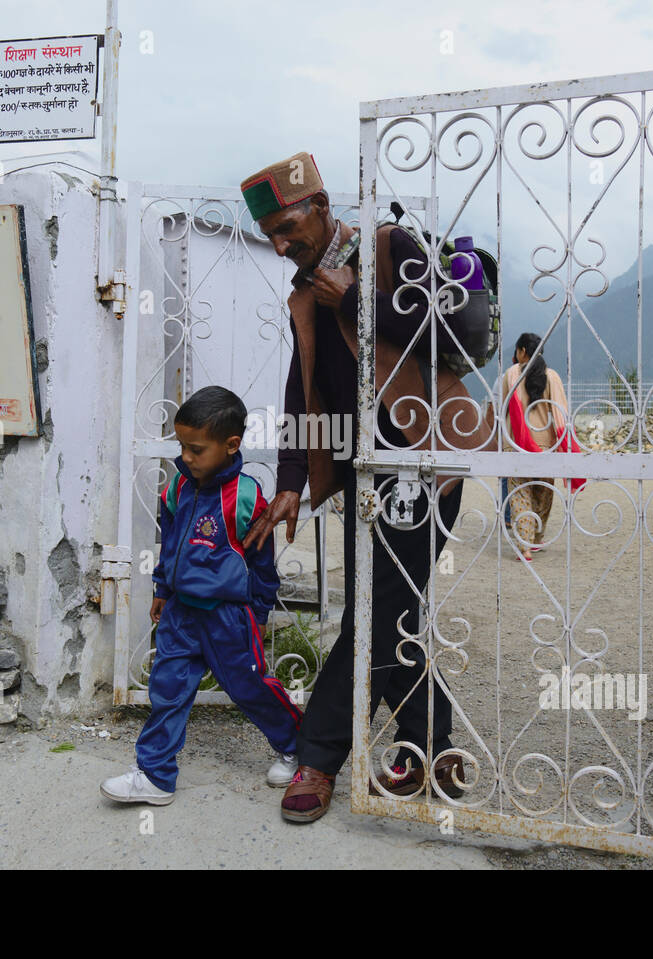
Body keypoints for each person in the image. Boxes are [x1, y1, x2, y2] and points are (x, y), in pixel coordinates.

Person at [237, 151, 492, 823]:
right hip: (364, 477)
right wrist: (292, 478)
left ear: (321, 207)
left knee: (372, 614)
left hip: (421, 462)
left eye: (290, 228)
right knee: (388, 615)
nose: (283, 244)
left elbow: (450, 331)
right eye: (273, 237)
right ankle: (427, 752)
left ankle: (318, 758)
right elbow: (306, 385)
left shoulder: (388, 249)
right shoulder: (303, 290)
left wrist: (353, 298)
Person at [100, 386, 303, 806]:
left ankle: (299, 746)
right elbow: (170, 544)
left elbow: (262, 563)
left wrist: (261, 612)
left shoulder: (246, 498)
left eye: (196, 449)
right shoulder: (176, 489)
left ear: (231, 445)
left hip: (229, 617)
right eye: (182, 447)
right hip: (180, 613)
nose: (187, 457)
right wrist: (161, 588)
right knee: (168, 689)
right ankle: (155, 775)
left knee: (249, 687)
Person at [501, 332, 583, 560]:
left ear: (523, 351)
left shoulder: (512, 374)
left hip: (517, 442)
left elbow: (504, 408)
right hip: (547, 445)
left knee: (519, 494)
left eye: (517, 351)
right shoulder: (552, 376)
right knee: (543, 493)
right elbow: (561, 412)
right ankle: (536, 539)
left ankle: (524, 546)